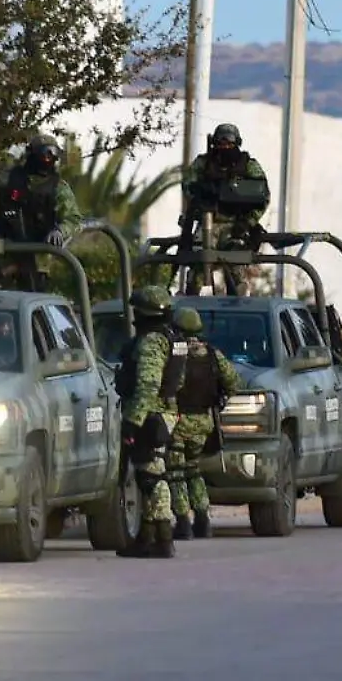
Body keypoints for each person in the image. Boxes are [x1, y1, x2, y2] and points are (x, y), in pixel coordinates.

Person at [113, 286, 189, 557]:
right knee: (150, 472)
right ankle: (147, 536)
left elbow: (148, 385)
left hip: (150, 415)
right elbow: (177, 380)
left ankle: (163, 537)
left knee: (152, 477)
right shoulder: (174, 339)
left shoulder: (152, 342)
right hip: (164, 412)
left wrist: (133, 421)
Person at [167, 306, 242, 540]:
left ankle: (182, 522)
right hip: (203, 421)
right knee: (194, 470)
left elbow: (169, 386)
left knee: (176, 473)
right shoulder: (211, 354)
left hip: (178, 421)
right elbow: (234, 383)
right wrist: (219, 399)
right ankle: (203, 519)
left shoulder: (175, 354)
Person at [181, 123, 271, 294]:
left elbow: (263, 196)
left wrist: (248, 222)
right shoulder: (203, 163)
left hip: (236, 225)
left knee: (236, 268)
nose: (225, 147)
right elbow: (188, 185)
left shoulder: (248, 166)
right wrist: (202, 193)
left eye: (229, 143)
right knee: (198, 264)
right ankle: (191, 301)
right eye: (220, 143)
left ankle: (238, 302)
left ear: (237, 143)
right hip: (208, 222)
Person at [0, 134, 84, 289]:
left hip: (38, 258)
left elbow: (73, 219)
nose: (48, 159)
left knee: (34, 295)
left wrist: (60, 231)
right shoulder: (10, 178)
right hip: (3, 252)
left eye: (52, 154)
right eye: (44, 153)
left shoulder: (58, 188)